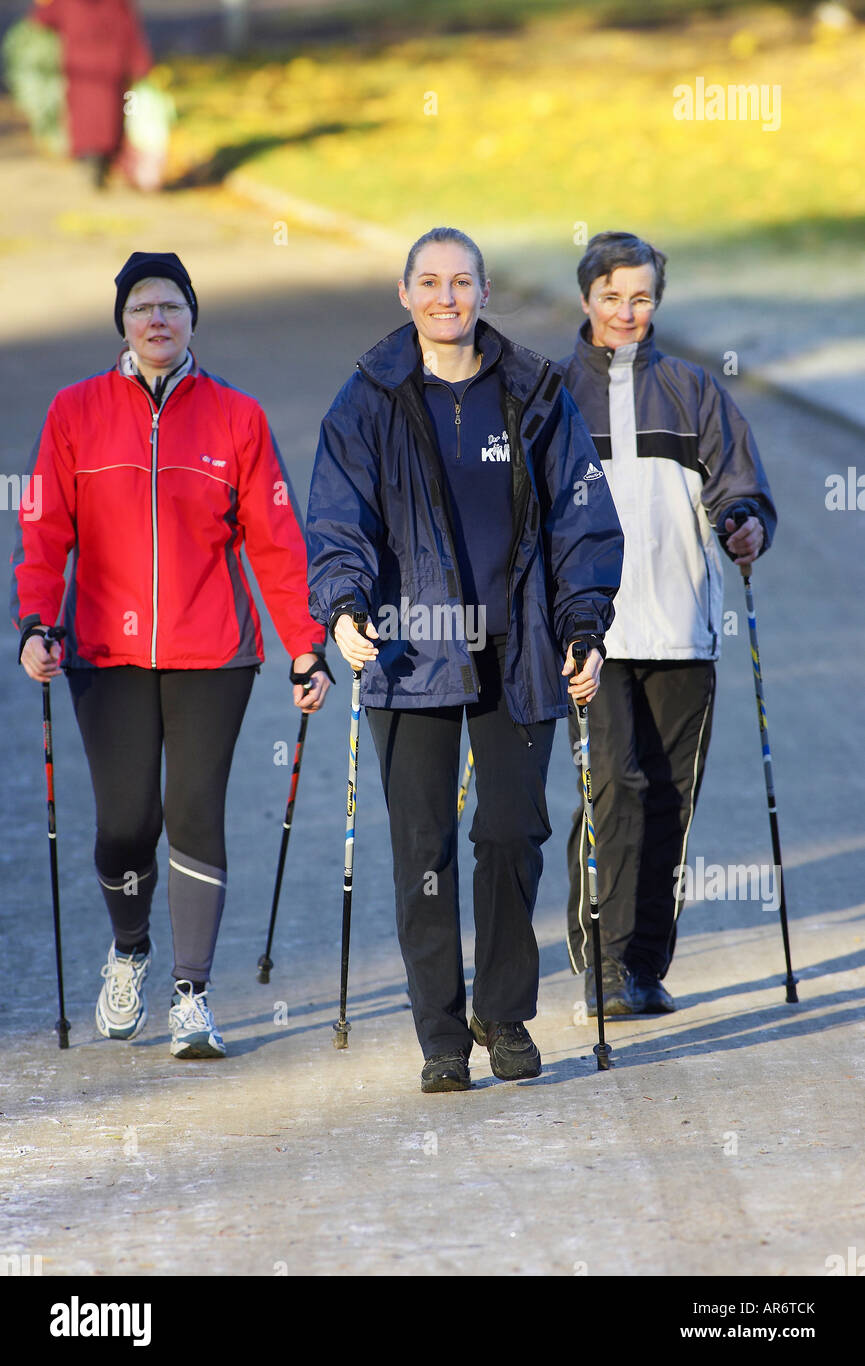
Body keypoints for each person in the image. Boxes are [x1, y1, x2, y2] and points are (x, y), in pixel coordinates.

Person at [306, 227, 623, 1093]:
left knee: (512, 832)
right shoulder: (366, 399)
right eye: (429, 282)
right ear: (403, 294)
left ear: (484, 292)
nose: (445, 298)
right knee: (425, 849)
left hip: (519, 650)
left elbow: (581, 521)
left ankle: (503, 1013)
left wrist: (583, 624)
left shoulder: (534, 391)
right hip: (407, 649)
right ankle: (441, 1037)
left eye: (461, 282)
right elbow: (337, 518)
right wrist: (343, 608)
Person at [11, 250, 331, 1058]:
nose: (157, 319)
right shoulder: (75, 411)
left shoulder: (236, 416)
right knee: (126, 824)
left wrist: (305, 648)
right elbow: (43, 533)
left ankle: (192, 994)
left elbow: (275, 541)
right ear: (122, 322)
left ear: (192, 319)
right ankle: (130, 950)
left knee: (193, 813)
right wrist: (36, 623)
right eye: (142, 307)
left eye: (172, 306)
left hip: (212, 652)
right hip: (103, 651)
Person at [561, 231, 777, 1016]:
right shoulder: (552, 395)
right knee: (612, 789)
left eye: (641, 298)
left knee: (668, 799)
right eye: (612, 297)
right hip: (591, 636)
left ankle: (643, 967)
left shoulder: (692, 390)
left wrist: (744, 525)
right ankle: (602, 964)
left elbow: (739, 488)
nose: (626, 312)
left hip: (683, 627)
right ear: (586, 298)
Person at [30, 0, 152, 188]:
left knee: (83, 114)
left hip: (80, 66)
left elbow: (42, 19)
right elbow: (130, 28)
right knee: (110, 114)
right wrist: (140, 63)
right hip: (111, 65)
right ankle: (104, 159)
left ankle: (89, 157)